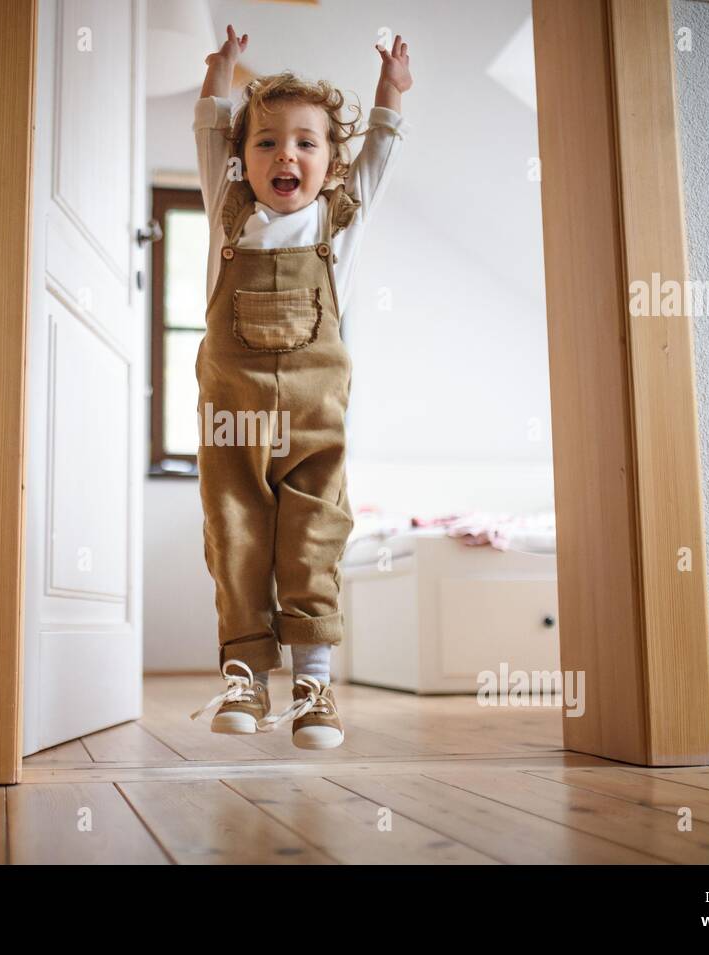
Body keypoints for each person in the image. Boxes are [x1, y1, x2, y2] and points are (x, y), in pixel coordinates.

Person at [187, 25, 412, 749]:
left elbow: (378, 157)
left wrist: (390, 95)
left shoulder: (337, 223)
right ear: (240, 159)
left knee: (313, 540)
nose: (286, 153)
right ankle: (244, 677)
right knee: (236, 535)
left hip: (316, 421)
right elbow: (209, 132)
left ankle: (314, 690)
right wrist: (219, 78)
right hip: (233, 419)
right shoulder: (228, 211)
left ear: (328, 162)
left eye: (306, 142)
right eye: (266, 142)